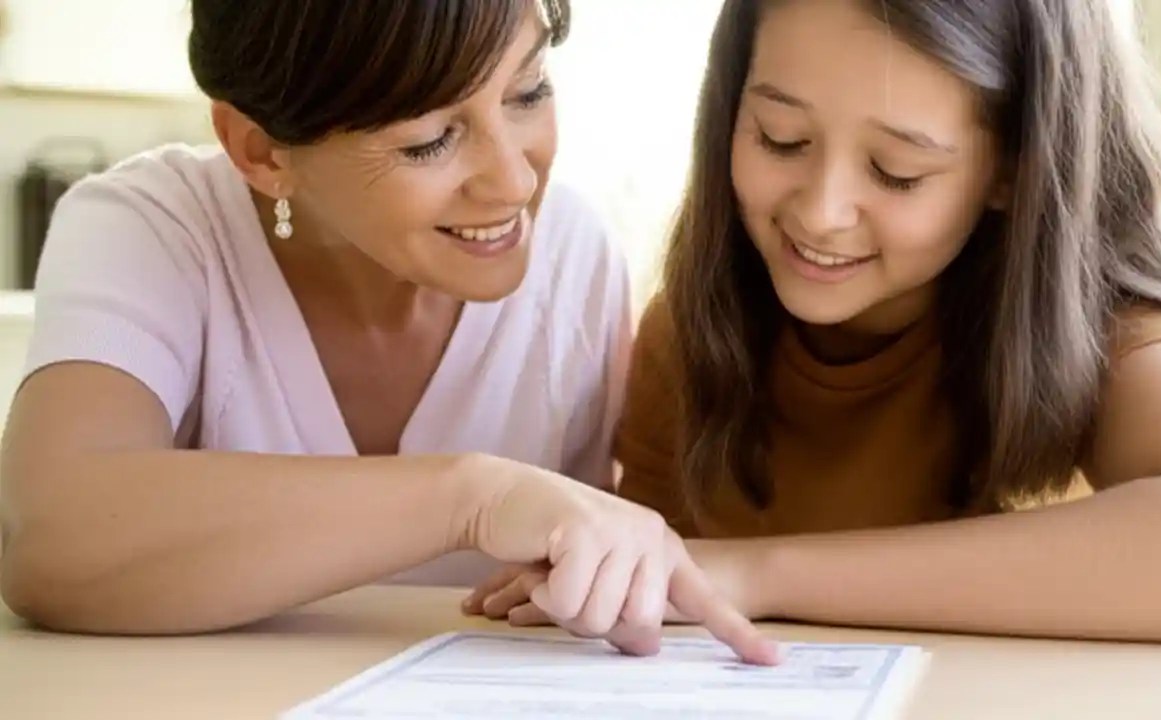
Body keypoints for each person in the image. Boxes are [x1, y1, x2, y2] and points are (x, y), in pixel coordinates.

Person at [468, 0, 1161, 644]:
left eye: (897, 171)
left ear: (1012, 168)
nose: (821, 214)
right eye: (779, 139)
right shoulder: (694, 329)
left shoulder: (1104, 332)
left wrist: (758, 575)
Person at [0, 0, 777, 664]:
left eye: (528, 90)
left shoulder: (571, 254)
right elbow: (52, 535)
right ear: (264, 152)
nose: (515, 180)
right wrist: (469, 497)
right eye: (430, 140)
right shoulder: (152, 229)